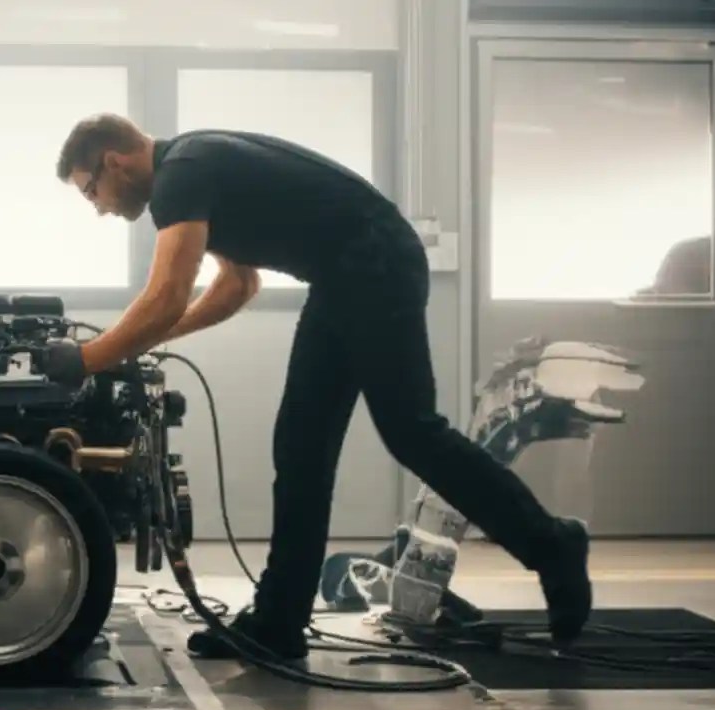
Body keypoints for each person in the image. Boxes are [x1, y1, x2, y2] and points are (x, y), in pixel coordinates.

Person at [38, 113, 592, 661]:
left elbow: (166, 295)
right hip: (344, 273)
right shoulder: (194, 165)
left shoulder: (180, 176)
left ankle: (551, 544)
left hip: (375, 263)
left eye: (92, 191)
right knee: (301, 446)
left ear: (114, 162)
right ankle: (279, 622)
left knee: (411, 432)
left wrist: (88, 359)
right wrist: (147, 341)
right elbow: (236, 284)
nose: (101, 208)